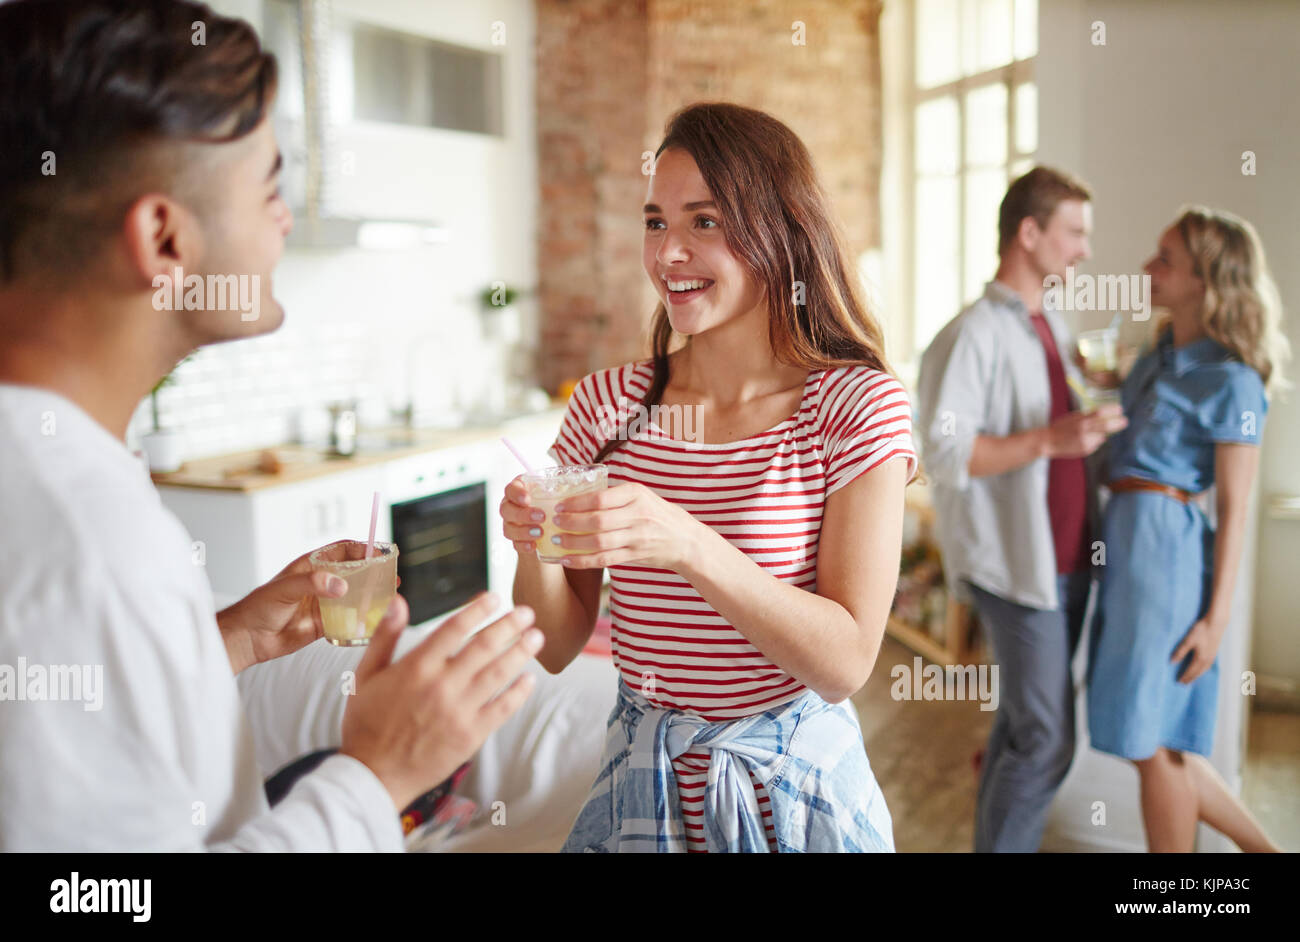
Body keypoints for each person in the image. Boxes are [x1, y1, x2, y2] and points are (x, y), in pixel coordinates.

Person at [0, 0, 540, 851]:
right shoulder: (88, 546)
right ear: (165, 239)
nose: (286, 217)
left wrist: (228, 639)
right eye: (269, 187)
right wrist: (379, 773)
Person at [499, 102, 916, 853]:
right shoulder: (608, 406)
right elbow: (555, 645)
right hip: (644, 788)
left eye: (705, 222)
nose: (669, 254)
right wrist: (535, 543)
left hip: (793, 792)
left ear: (780, 230)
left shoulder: (852, 404)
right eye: (656, 222)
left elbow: (846, 661)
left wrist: (687, 542)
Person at [916, 166, 1128, 853]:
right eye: (1074, 232)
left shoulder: (1051, 323)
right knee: (1047, 739)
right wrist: (1049, 438)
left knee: (1018, 728)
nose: (1084, 250)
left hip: (1065, 558)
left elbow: (1057, 425)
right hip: (1014, 568)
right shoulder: (970, 334)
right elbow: (944, 454)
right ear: (1029, 233)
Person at [1085, 208, 1288, 853]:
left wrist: (1217, 617)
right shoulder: (1160, 350)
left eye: (1165, 259)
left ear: (1205, 280)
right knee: (1155, 741)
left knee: (1155, 744)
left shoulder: (1234, 382)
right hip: (1127, 547)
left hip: (1165, 557)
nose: (1148, 268)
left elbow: (1235, 506)